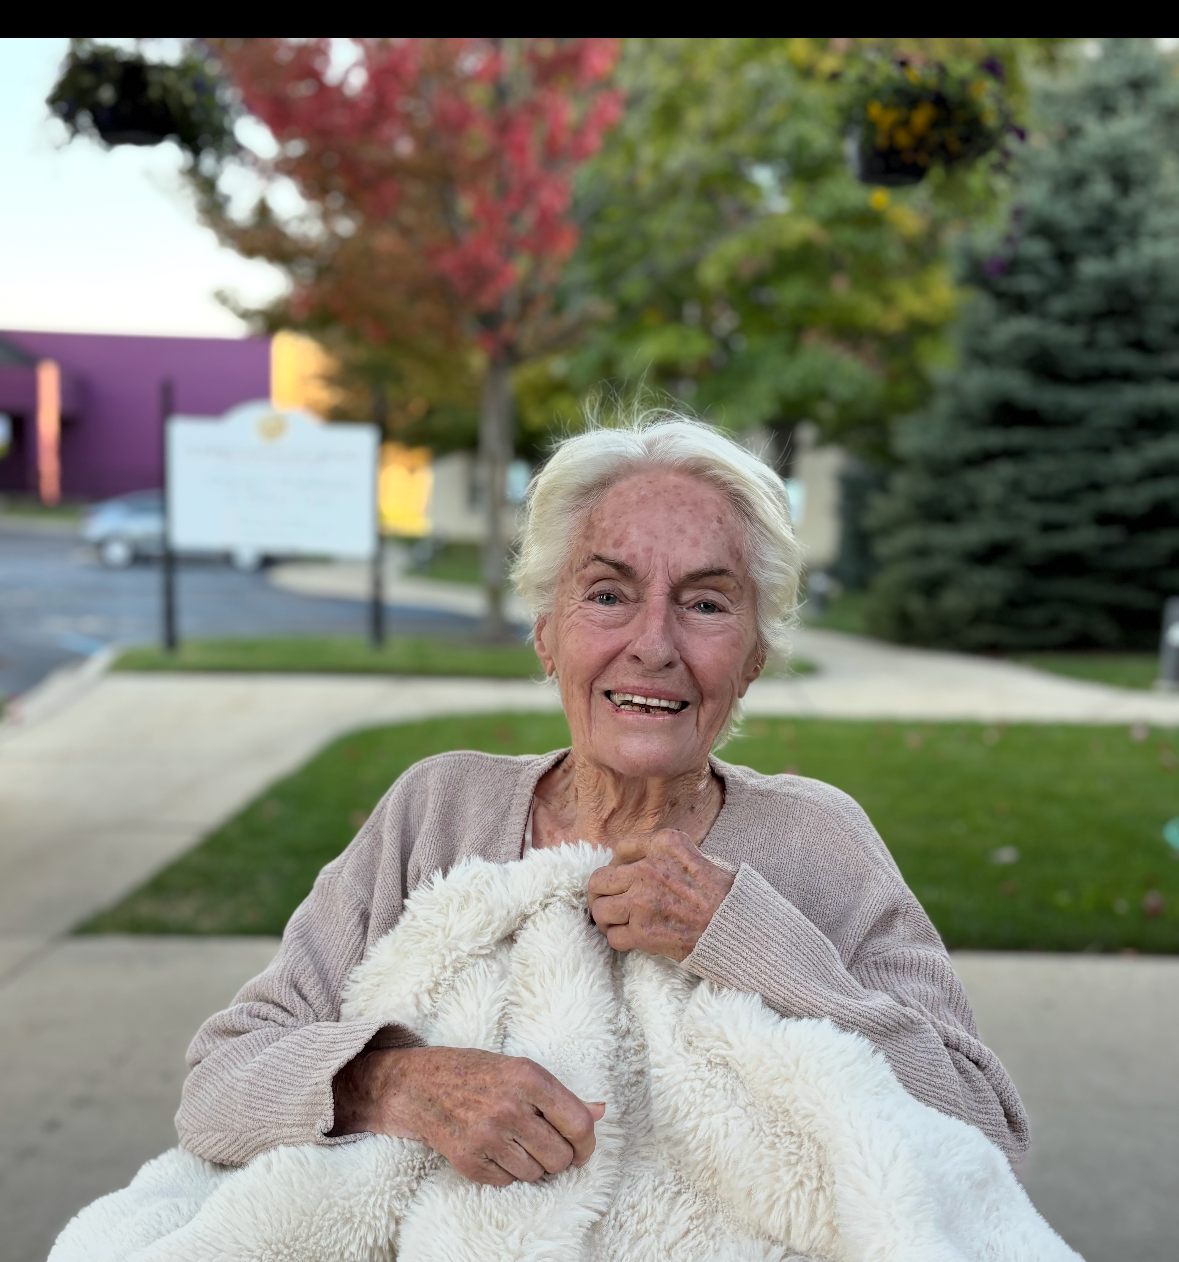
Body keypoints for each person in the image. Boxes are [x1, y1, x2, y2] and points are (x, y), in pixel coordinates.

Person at [178, 414, 1027, 1186]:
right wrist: (395, 1083)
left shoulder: (817, 838)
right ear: (546, 633)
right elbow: (218, 1087)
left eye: (704, 603)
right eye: (609, 594)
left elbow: (985, 1132)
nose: (653, 645)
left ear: (754, 656)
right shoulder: (438, 809)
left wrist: (747, 939)